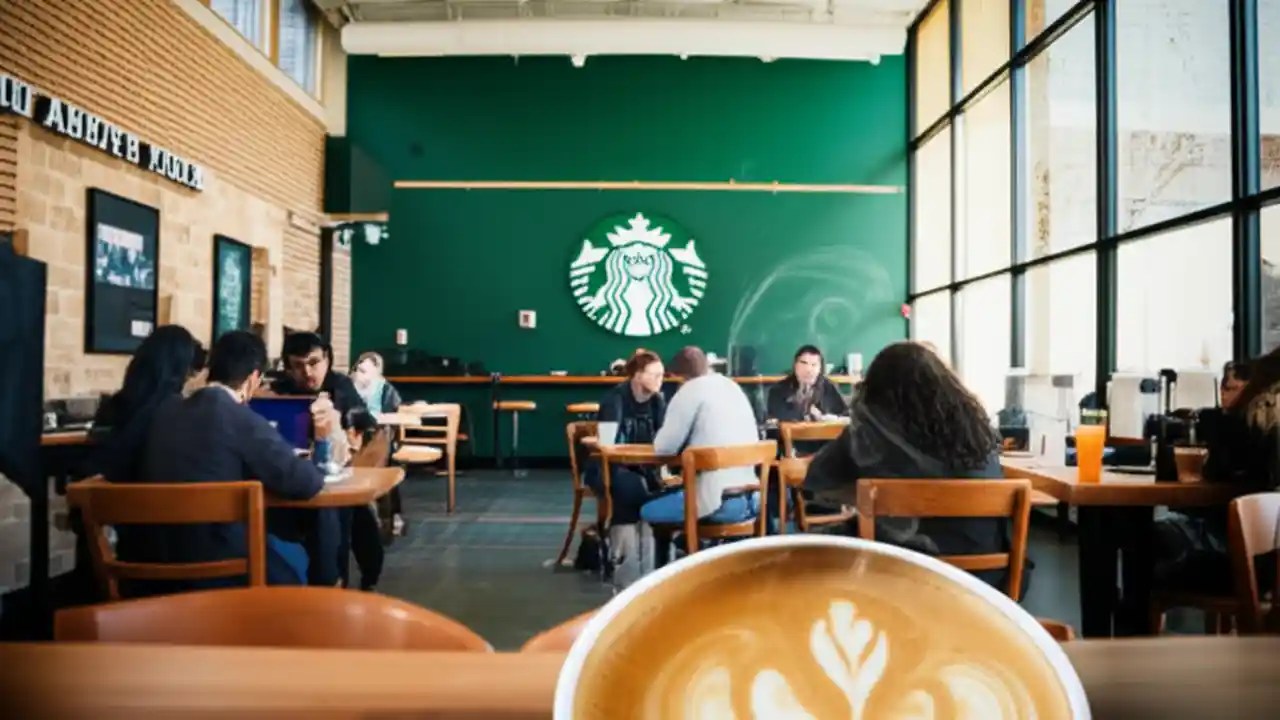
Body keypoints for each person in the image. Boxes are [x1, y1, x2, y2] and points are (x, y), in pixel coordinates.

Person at [802, 341, 1029, 593]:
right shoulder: (977, 428)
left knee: (818, 550)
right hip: (986, 586)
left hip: (905, 584)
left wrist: (867, 496)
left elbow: (816, 482)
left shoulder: (869, 432)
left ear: (876, 389)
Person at [130, 331, 335, 594]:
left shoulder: (163, 412)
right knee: (297, 560)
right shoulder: (238, 417)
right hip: (223, 569)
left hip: (156, 565)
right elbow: (307, 483)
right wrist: (322, 439)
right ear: (253, 379)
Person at [1154, 357, 1275, 596]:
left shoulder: (1252, 423)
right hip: (1262, 559)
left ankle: (1123, 628)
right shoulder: (1254, 425)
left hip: (1251, 564)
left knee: (1147, 547)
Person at [272, 332, 380, 590]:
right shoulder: (279, 391)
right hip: (291, 474)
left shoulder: (340, 385)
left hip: (337, 473)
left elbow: (364, 421)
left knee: (351, 512)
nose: (307, 372)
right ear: (287, 367)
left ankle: (348, 581)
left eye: (313, 362)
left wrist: (346, 425)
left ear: (327, 360)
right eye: (297, 366)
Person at [641, 347, 762, 534]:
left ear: (678, 376)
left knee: (647, 509)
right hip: (754, 500)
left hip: (715, 502)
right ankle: (693, 550)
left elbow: (664, 448)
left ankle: (673, 560)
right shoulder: (732, 387)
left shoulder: (688, 391)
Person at [584, 350, 668, 546]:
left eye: (662, 375)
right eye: (654, 375)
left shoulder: (658, 401)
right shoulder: (615, 399)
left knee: (667, 490)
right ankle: (623, 555)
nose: (660, 380)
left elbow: (665, 436)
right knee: (632, 487)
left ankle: (654, 554)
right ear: (637, 375)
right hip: (609, 468)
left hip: (645, 468)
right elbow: (607, 445)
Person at [767, 345, 848, 423]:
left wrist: (829, 418)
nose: (808, 369)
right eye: (803, 363)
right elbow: (777, 416)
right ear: (795, 365)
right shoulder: (778, 389)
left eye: (814, 365)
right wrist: (807, 413)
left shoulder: (828, 387)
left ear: (820, 368)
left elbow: (845, 414)